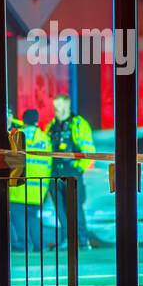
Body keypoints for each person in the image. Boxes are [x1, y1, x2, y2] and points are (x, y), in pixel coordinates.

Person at [46, 94, 96, 250]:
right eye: (54, 107)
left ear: (67, 105)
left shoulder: (79, 124)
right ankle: (67, 239)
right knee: (60, 210)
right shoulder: (51, 126)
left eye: (59, 106)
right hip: (54, 173)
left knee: (74, 208)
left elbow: (89, 151)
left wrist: (78, 169)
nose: (56, 110)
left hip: (71, 172)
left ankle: (82, 240)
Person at [9, 108, 53, 251]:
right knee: (33, 218)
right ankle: (40, 246)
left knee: (19, 219)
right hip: (38, 188)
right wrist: (45, 188)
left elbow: (10, 161)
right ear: (36, 120)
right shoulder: (45, 139)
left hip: (18, 187)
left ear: (23, 120)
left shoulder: (16, 136)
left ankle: (25, 246)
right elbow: (48, 164)